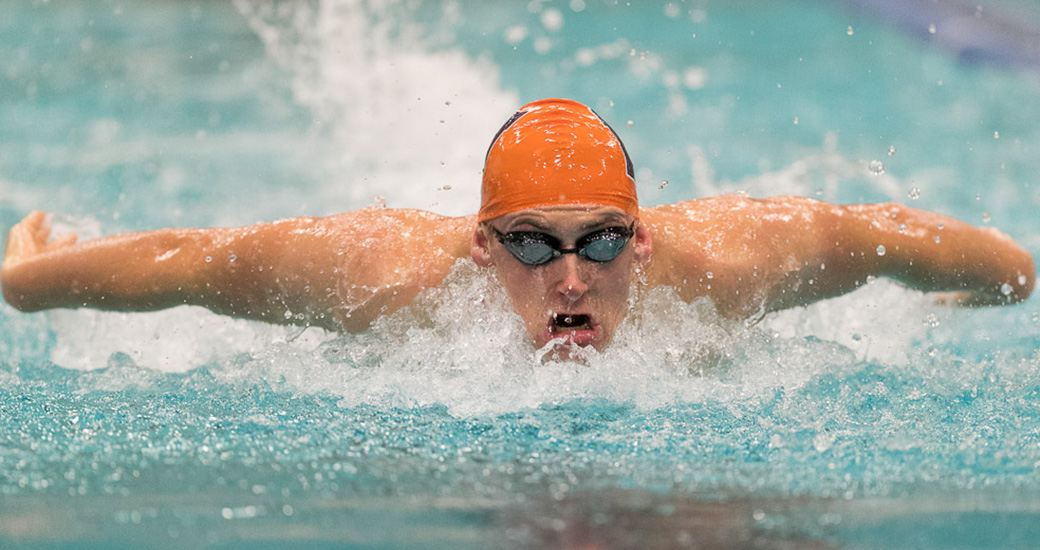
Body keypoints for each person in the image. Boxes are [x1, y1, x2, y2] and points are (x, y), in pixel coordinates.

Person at [1, 99, 1035, 353]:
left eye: (597, 242)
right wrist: (24, 280)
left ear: (643, 239)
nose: (569, 279)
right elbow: (199, 261)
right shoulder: (383, 277)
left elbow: (877, 232)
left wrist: (1007, 277)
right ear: (480, 245)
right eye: (533, 245)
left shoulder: (726, 261)